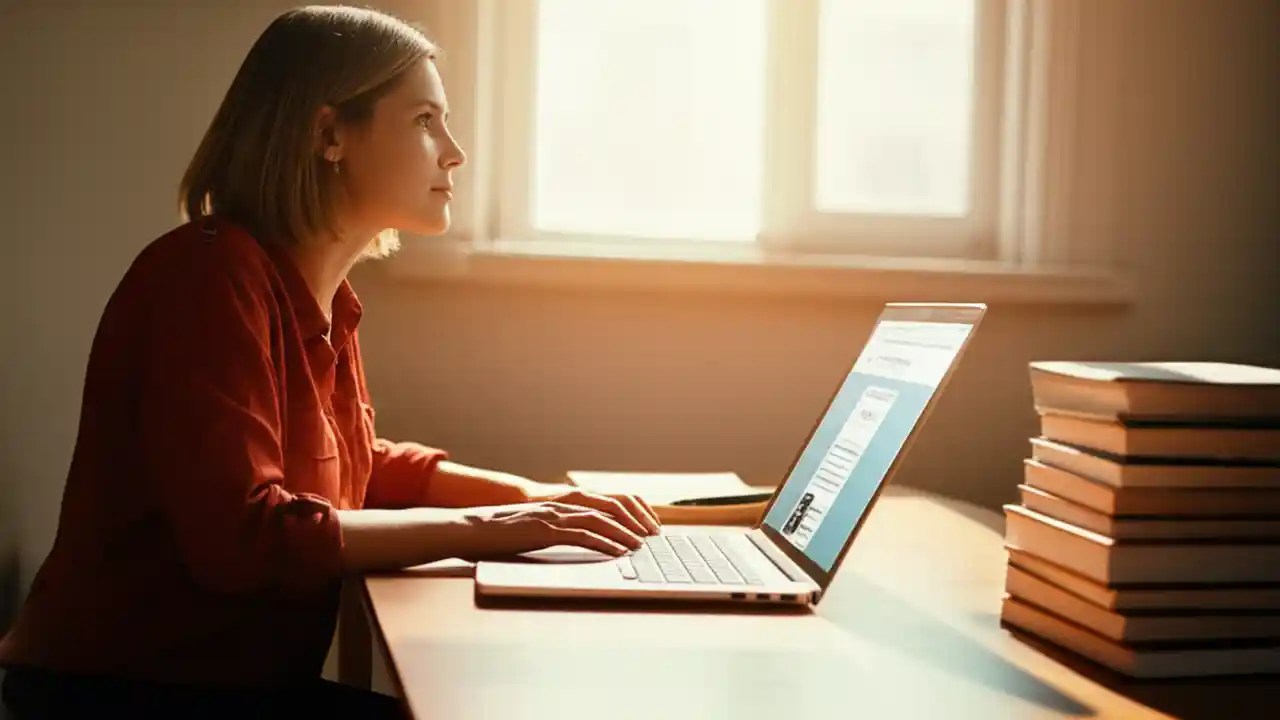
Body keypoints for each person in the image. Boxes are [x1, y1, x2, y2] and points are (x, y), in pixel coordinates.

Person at [0, 6, 661, 718]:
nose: (454, 151)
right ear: (328, 135)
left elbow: (358, 465)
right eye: (424, 120)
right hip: (121, 697)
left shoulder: (320, 295)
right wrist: (496, 528)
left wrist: (537, 501)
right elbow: (246, 537)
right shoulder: (206, 277)